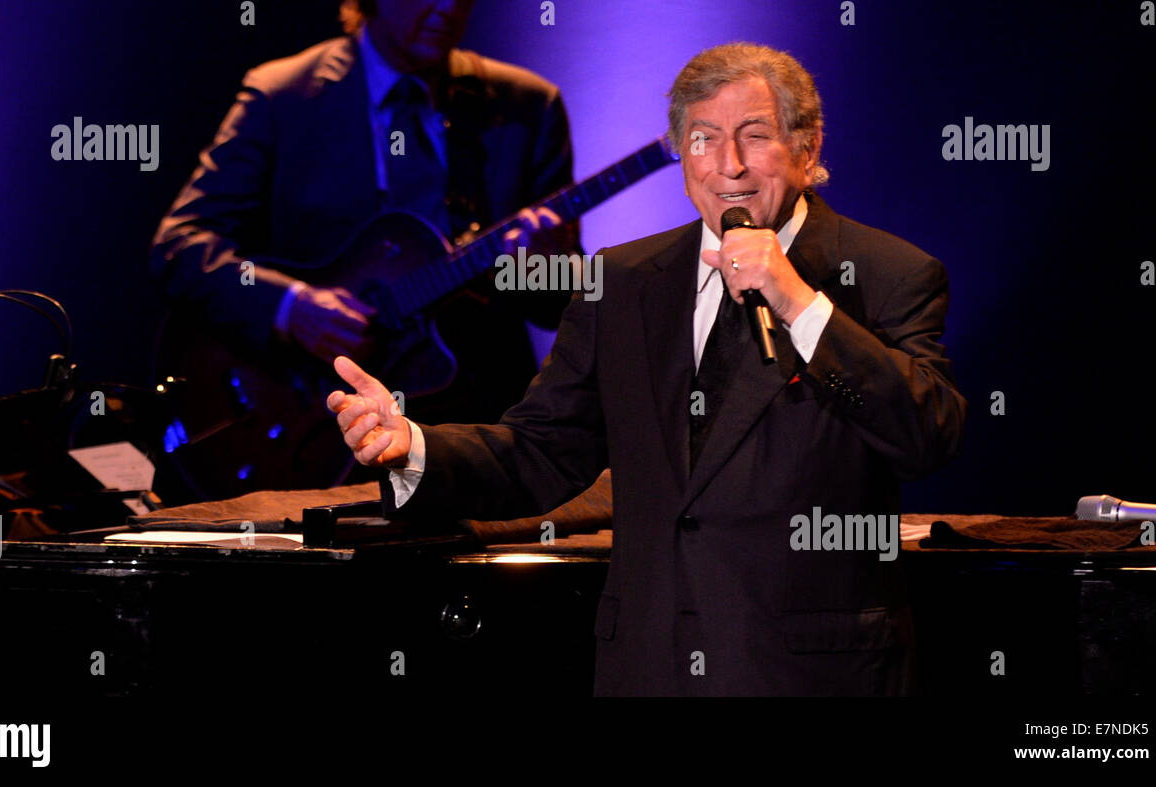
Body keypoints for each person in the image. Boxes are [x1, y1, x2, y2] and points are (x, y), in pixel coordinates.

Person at [328, 42, 968, 696]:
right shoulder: (620, 281)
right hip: (647, 666)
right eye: (704, 138)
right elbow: (545, 449)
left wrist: (797, 301)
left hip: (812, 673)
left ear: (807, 149)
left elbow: (928, 433)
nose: (730, 164)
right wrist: (415, 444)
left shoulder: (889, 274)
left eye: (755, 135)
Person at [149, 0, 577, 456]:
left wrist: (535, 270)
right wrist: (293, 307)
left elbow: (557, 305)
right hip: (316, 433)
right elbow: (180, 244)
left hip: (474, 434)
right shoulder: (283, 97)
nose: (449, 7)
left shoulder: (529, 107)